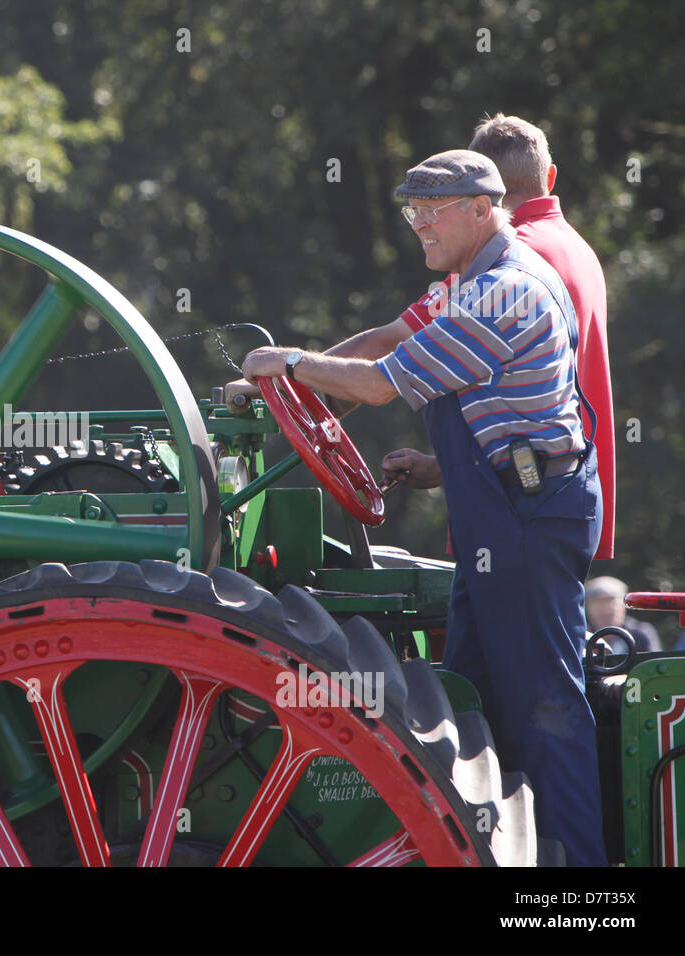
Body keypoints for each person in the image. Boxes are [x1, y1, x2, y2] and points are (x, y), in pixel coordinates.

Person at [228, 149, 606, 865]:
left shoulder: (501, 292)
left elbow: (379, 382)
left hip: (524, 520)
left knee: (548, 713)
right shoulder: (481, 280)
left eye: (432, 213)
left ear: (482, 209)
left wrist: (288, 365)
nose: (419, 227)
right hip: (505, 508)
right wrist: (442, 468)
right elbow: (516, 403)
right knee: (471, 699)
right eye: (412, 212)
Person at [377, 115, 616, 560]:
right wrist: (443, 467)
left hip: (520, 505)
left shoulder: (506, 256)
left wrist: (287, 376)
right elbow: (524, 395)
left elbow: (396, 342)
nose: (422, 226)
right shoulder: (575, 247)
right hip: (559, 491)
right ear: (549, 176)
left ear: (480, 198)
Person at [586, 575, 661, 654]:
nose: (605, 610)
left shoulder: (640, 635)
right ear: (588, 608)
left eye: (611, 602)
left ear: (623, 606)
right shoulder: (583, 637)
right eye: (598, 605)